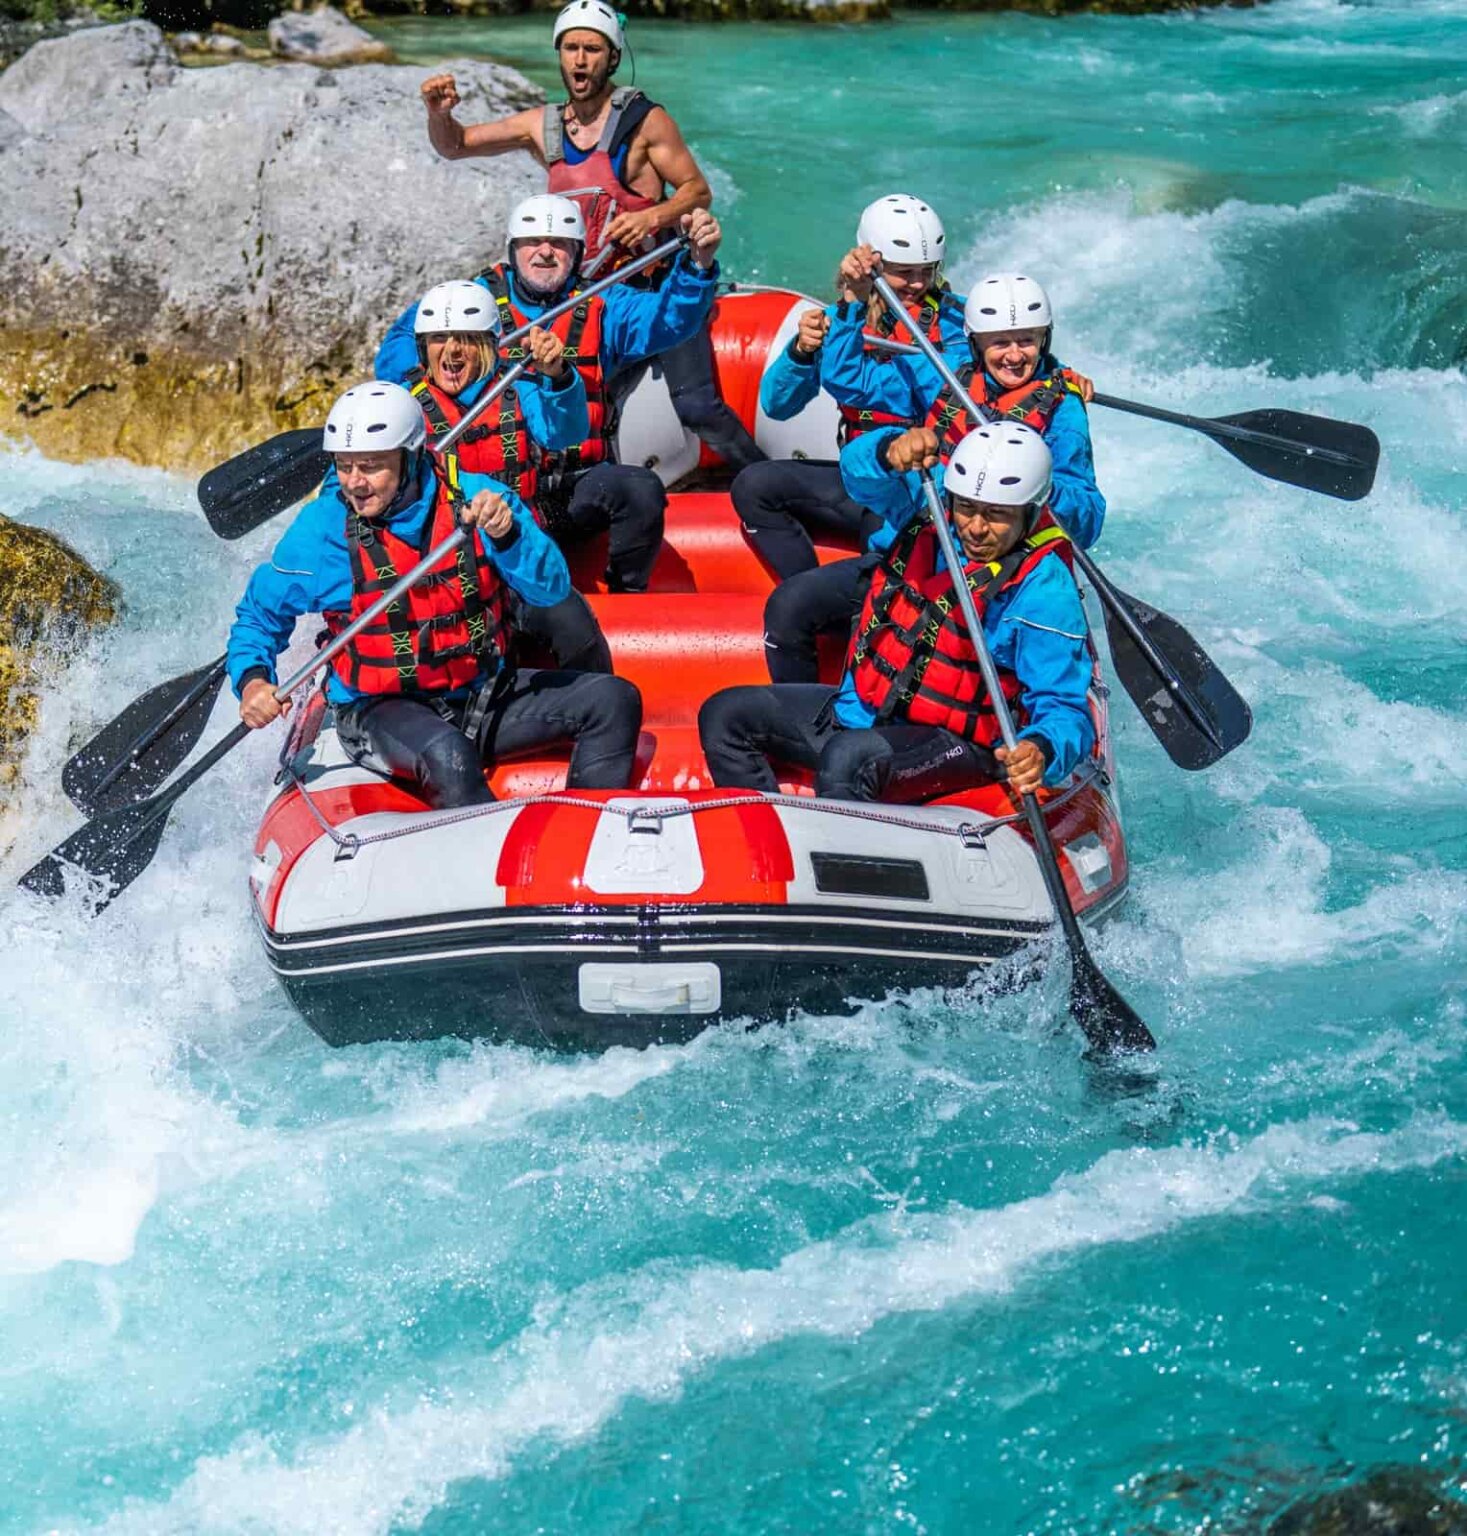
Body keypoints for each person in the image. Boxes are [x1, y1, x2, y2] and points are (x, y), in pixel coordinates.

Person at [228, 382, 642, 809]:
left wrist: (509, 536)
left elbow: (551, 588)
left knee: (614, 700)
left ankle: (585, 839)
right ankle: (487, 871)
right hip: (380, 709)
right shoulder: (321, 532)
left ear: (410, 457)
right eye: (345, 466)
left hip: (480, 694)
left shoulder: (481, 500)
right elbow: (259, 616)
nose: (355, 483)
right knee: (449, 756)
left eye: (370, 466)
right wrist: (253, 680)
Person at [418, 1, 764, 468]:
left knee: (697, 406)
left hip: (651, 290)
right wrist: (439, 113)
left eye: (593, 50)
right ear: (560, 55)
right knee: (555, 395)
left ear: (613, 58)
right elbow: (455, 146)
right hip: (584, 295)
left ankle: (763, 478)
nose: (580, 60)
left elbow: (698, 191)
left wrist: (652, 217)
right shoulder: (542, 126)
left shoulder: (645, 122)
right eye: (572, 49)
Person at [699, 423, 1094, 804]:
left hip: (958, 742)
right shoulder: (931, 510)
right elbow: (857, 477)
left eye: (995, 515)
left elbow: (1064, 709)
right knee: (725, 715)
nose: (975, 527)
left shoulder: (1044, 591)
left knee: (848, 762)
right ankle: (768, 841)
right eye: (967, 508)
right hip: (866, 712)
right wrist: (887, 450)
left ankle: (850, 867)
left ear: (1029, 513)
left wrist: (1042, 748)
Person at [377, 198, 728, 600]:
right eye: (533, 242)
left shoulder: (604, 307)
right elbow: (401, 345)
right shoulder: (467, 304)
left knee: (639, 489)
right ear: (512, 250)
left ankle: (626, 599)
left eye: (559, 243)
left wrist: (697, 265)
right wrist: (441, 383)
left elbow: (670, 320)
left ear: (577, 253)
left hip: (569, 488)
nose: (545, 252)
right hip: (488, 494)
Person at [730, 195, 968, 685]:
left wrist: (848, 315)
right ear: (872, 261)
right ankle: (809, 593)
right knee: (754, 486)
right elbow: (778, 404)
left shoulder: (956, 329)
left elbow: (865, 384)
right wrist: (801, 350)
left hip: (907, 490)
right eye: (905, 272)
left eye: (927, 270)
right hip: (856, 474)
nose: (919, 284)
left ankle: (844, 619)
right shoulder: (846, 319)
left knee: (882, 563)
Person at [401, 272, 611, 672]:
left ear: (491, 346)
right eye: (439, 340)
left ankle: (597, 704)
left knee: (574, 626)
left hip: (517, 543)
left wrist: (558, 377)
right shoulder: (403, 411)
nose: (452, 351)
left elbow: (565, 431)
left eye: (467, 339)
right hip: (443, 564)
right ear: (422, 349)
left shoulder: (519, 387)